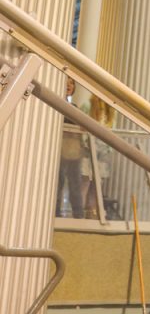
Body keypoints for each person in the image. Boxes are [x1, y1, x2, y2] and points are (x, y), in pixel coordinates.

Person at [56, 77, 85, 219]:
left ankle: (78, 214)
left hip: (73, 152)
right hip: (56, 151)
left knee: (75, 182)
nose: (69, 84)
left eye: (72, 82)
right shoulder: (54, 102)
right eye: (66, 81)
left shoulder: (74, 108)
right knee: (58, 181)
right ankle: (55, 213)